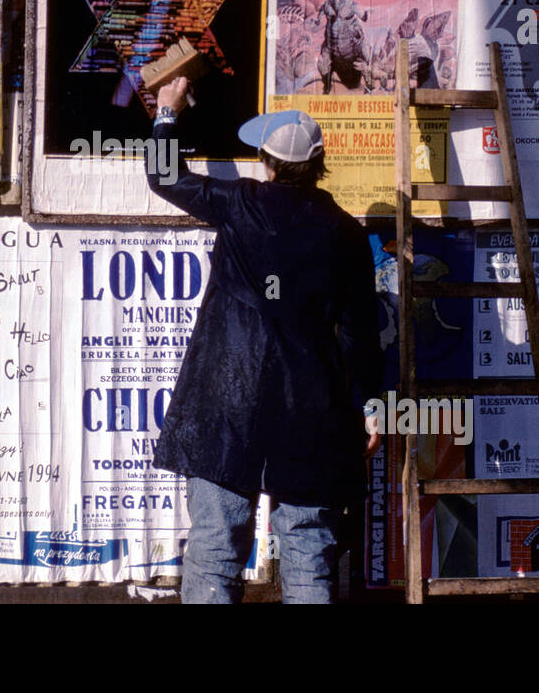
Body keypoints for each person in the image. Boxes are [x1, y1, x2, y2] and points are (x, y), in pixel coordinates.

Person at [146, 76, 383, 603]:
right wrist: (372, 409)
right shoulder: (345, 232)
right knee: (308, 559)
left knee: (214, 551)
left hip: (229, 404)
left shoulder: (241, 203)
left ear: (267, 162)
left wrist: (167, 112)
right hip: (311, 410)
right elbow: (360, 332)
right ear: (317, 164)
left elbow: (165, 177)